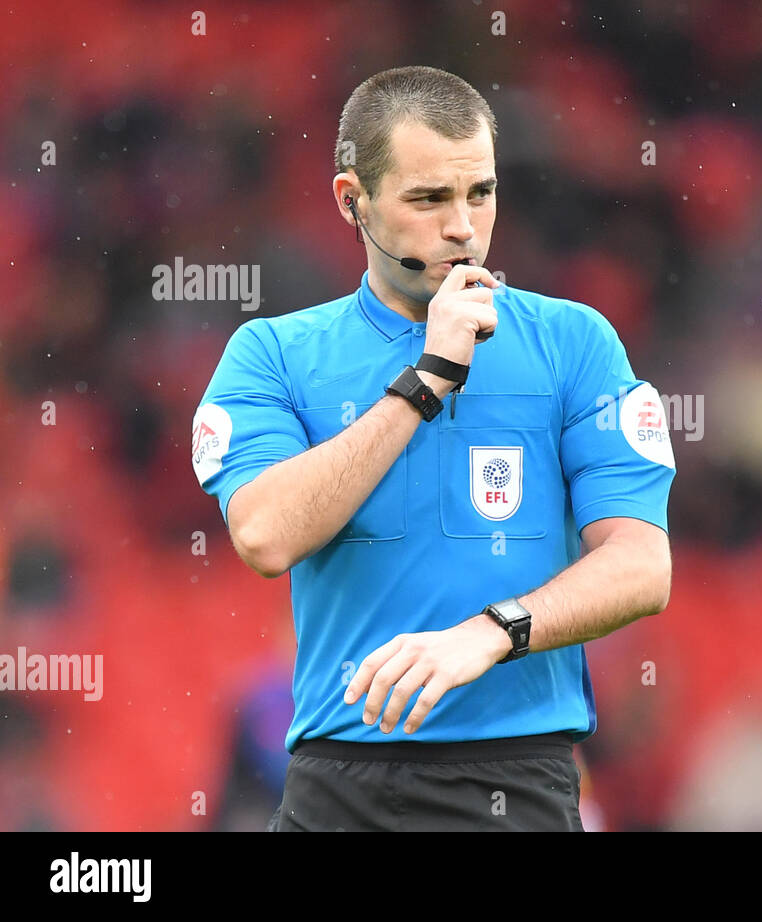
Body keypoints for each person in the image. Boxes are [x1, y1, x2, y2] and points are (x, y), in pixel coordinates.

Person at [191, 65, 676, 831]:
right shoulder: (272, 354)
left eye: (479, 193)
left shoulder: (576, 342)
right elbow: (265, 534)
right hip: (336, 785)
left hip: (520, 779)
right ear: (354, 202)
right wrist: (427, 381)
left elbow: (643, 566)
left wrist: (493, 631)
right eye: (428, 199)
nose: (462, 227)